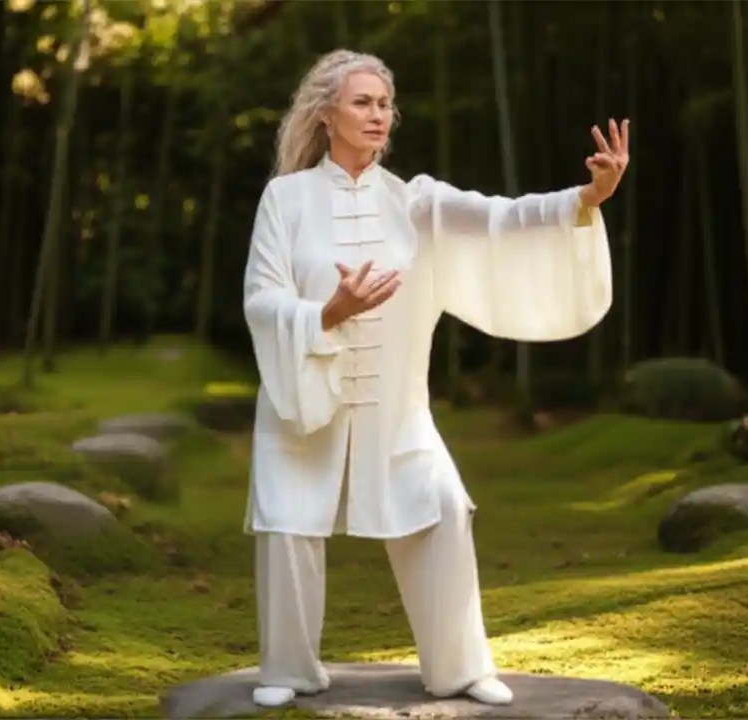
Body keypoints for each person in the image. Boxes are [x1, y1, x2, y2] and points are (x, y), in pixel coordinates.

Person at [241, 48, 629, 709]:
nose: (377, 114)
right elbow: (260, 297)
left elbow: (504, 218)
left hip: (395, 407)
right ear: (326, 113)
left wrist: (589, 196)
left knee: (443, 510)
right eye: (362, 102)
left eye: (384, 104)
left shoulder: (414, 203)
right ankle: (289, 668)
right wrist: (327, 313)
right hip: (304, 395)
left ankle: (458, 667)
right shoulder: (286, 200)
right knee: (287, 522)